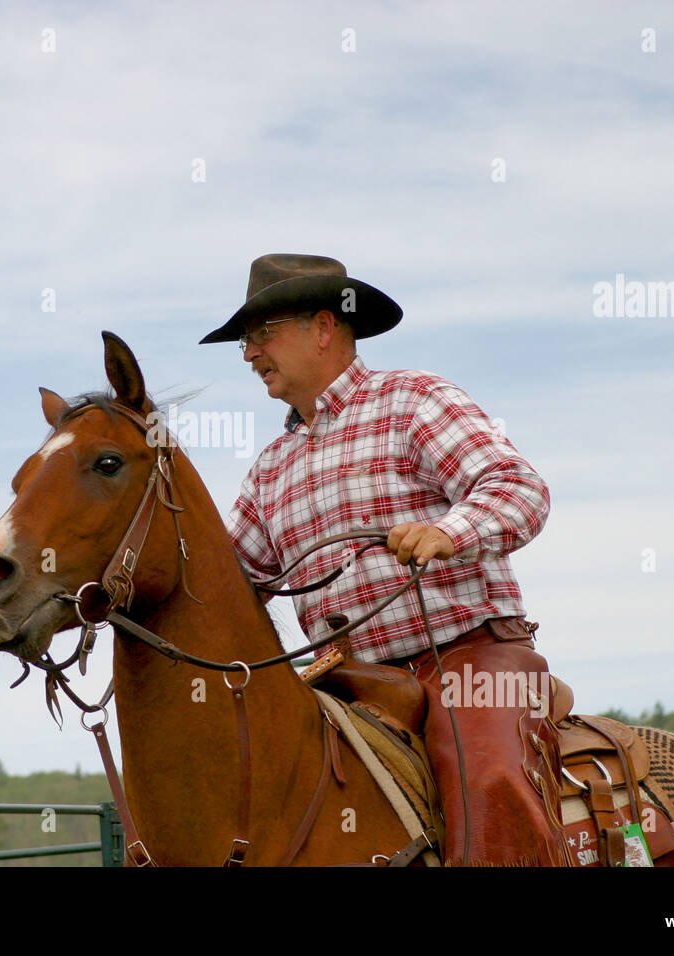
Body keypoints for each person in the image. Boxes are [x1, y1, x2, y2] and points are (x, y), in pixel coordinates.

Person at [200, 253, 573, 866]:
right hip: (344, 682)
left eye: (262, 334)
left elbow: (519, 489)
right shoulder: (268, 469)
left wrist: (448, 531)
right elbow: (227, 587)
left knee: (490, 781)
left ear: (324, 327)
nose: (248, 354)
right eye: (245, 340)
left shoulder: (414, 399)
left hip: (466, 658)